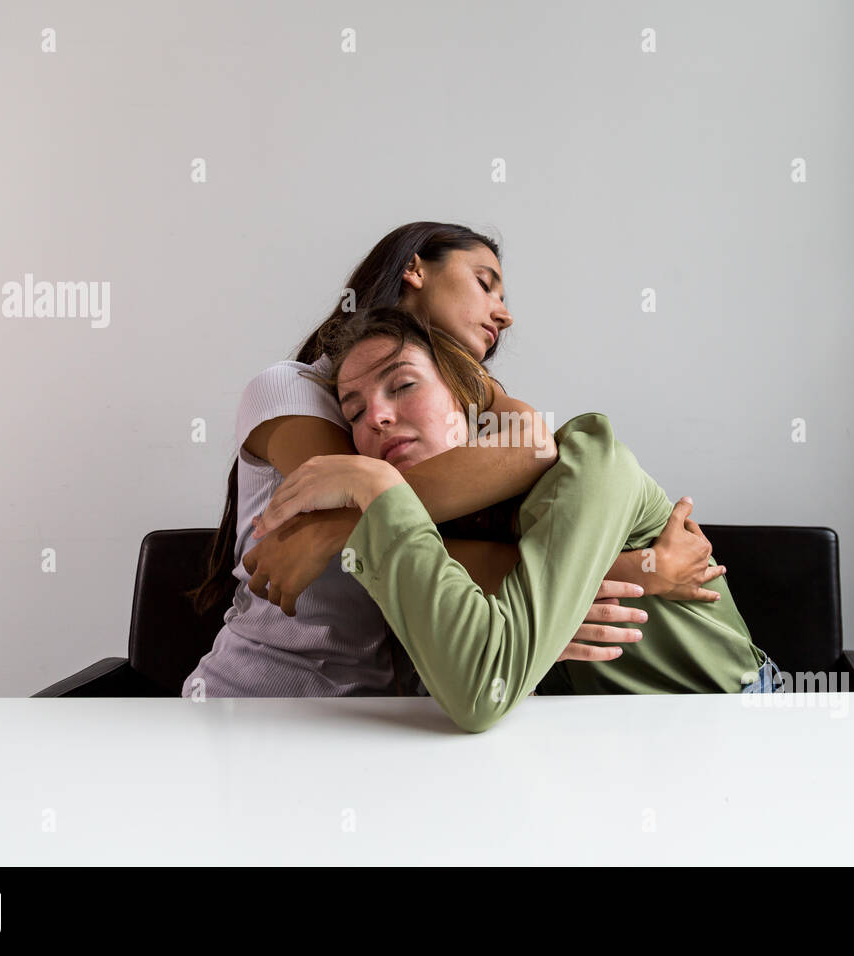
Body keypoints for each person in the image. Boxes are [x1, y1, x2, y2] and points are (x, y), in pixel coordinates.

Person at [182, 222, 722, 698]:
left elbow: (531, 444)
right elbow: (402, 554)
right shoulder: (292, 390)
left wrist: (335, 528)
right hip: (264, 701)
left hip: (399, 723)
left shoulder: (454, 415)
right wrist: (632, 574)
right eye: (485, 282)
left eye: (406, 385)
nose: (504, 314)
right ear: (415, 270)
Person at [262, 305, 784, 733]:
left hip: (734, 720)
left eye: (402, 386)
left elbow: (478, 688)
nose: (375, 416)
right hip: (589, 744)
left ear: (465, 398)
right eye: (353, 412)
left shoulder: (590, 465)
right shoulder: (425, 535)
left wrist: (376, 486)